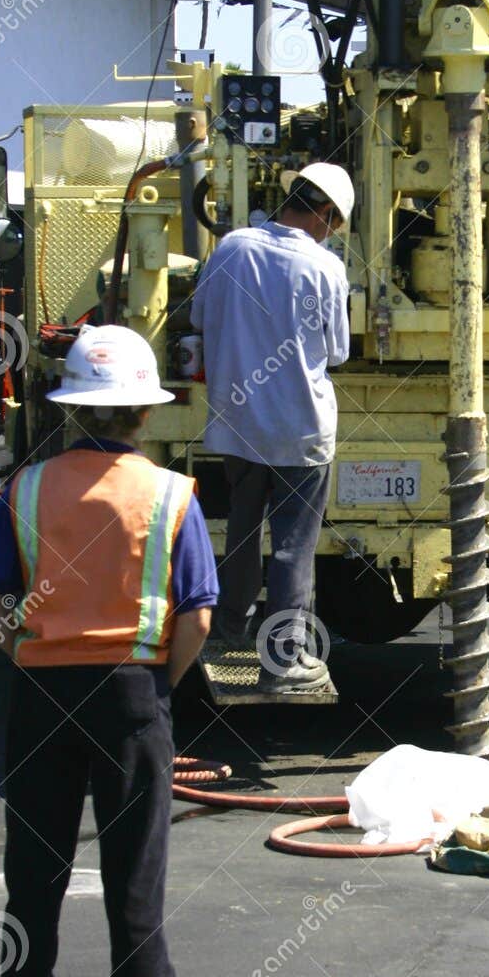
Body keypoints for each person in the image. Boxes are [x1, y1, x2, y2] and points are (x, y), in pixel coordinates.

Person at [0, 325, 221, 977]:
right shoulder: (172, 495)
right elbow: (198, 620)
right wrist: (155, 688)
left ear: (74, 409)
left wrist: (34, 652)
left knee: (30, 882)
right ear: (145, 412)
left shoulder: (27, 489)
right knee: (132, 882)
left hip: (42, 695)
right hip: (131, 696)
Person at [190, 161, 354, 692]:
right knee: (292, 546)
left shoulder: (232, 247)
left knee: (242, 531)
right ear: (326, 212)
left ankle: (228, 626)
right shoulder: (325, 268)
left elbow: (198, 318)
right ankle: (285, 660)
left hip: (237, 423)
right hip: (300, 429)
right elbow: (338, 352)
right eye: (334, 223)